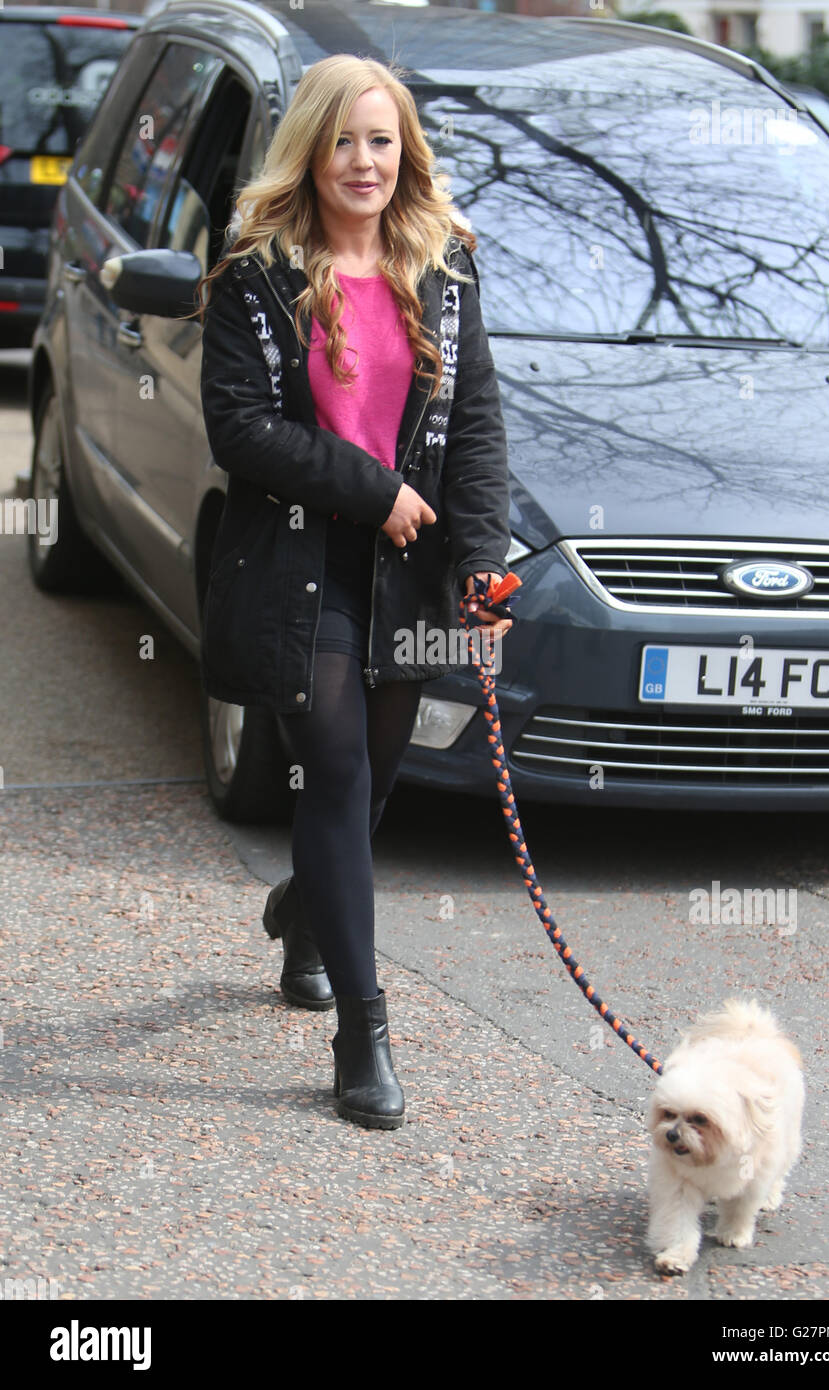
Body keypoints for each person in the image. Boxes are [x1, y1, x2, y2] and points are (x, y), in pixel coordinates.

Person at [197, 54, 512, 1130]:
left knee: (372, 782)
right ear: (311, 151)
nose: (365, 161)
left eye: (383, 140)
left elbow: (473, 432)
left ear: (405, 152)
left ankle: (305, 909)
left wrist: (483, 561)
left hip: (410, 568)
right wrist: (372, 488)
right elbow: (240, 427)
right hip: (301, 560)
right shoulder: (256, 271)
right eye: (344, 140)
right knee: (333, 770)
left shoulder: (448, 267)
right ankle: (363, 1033)